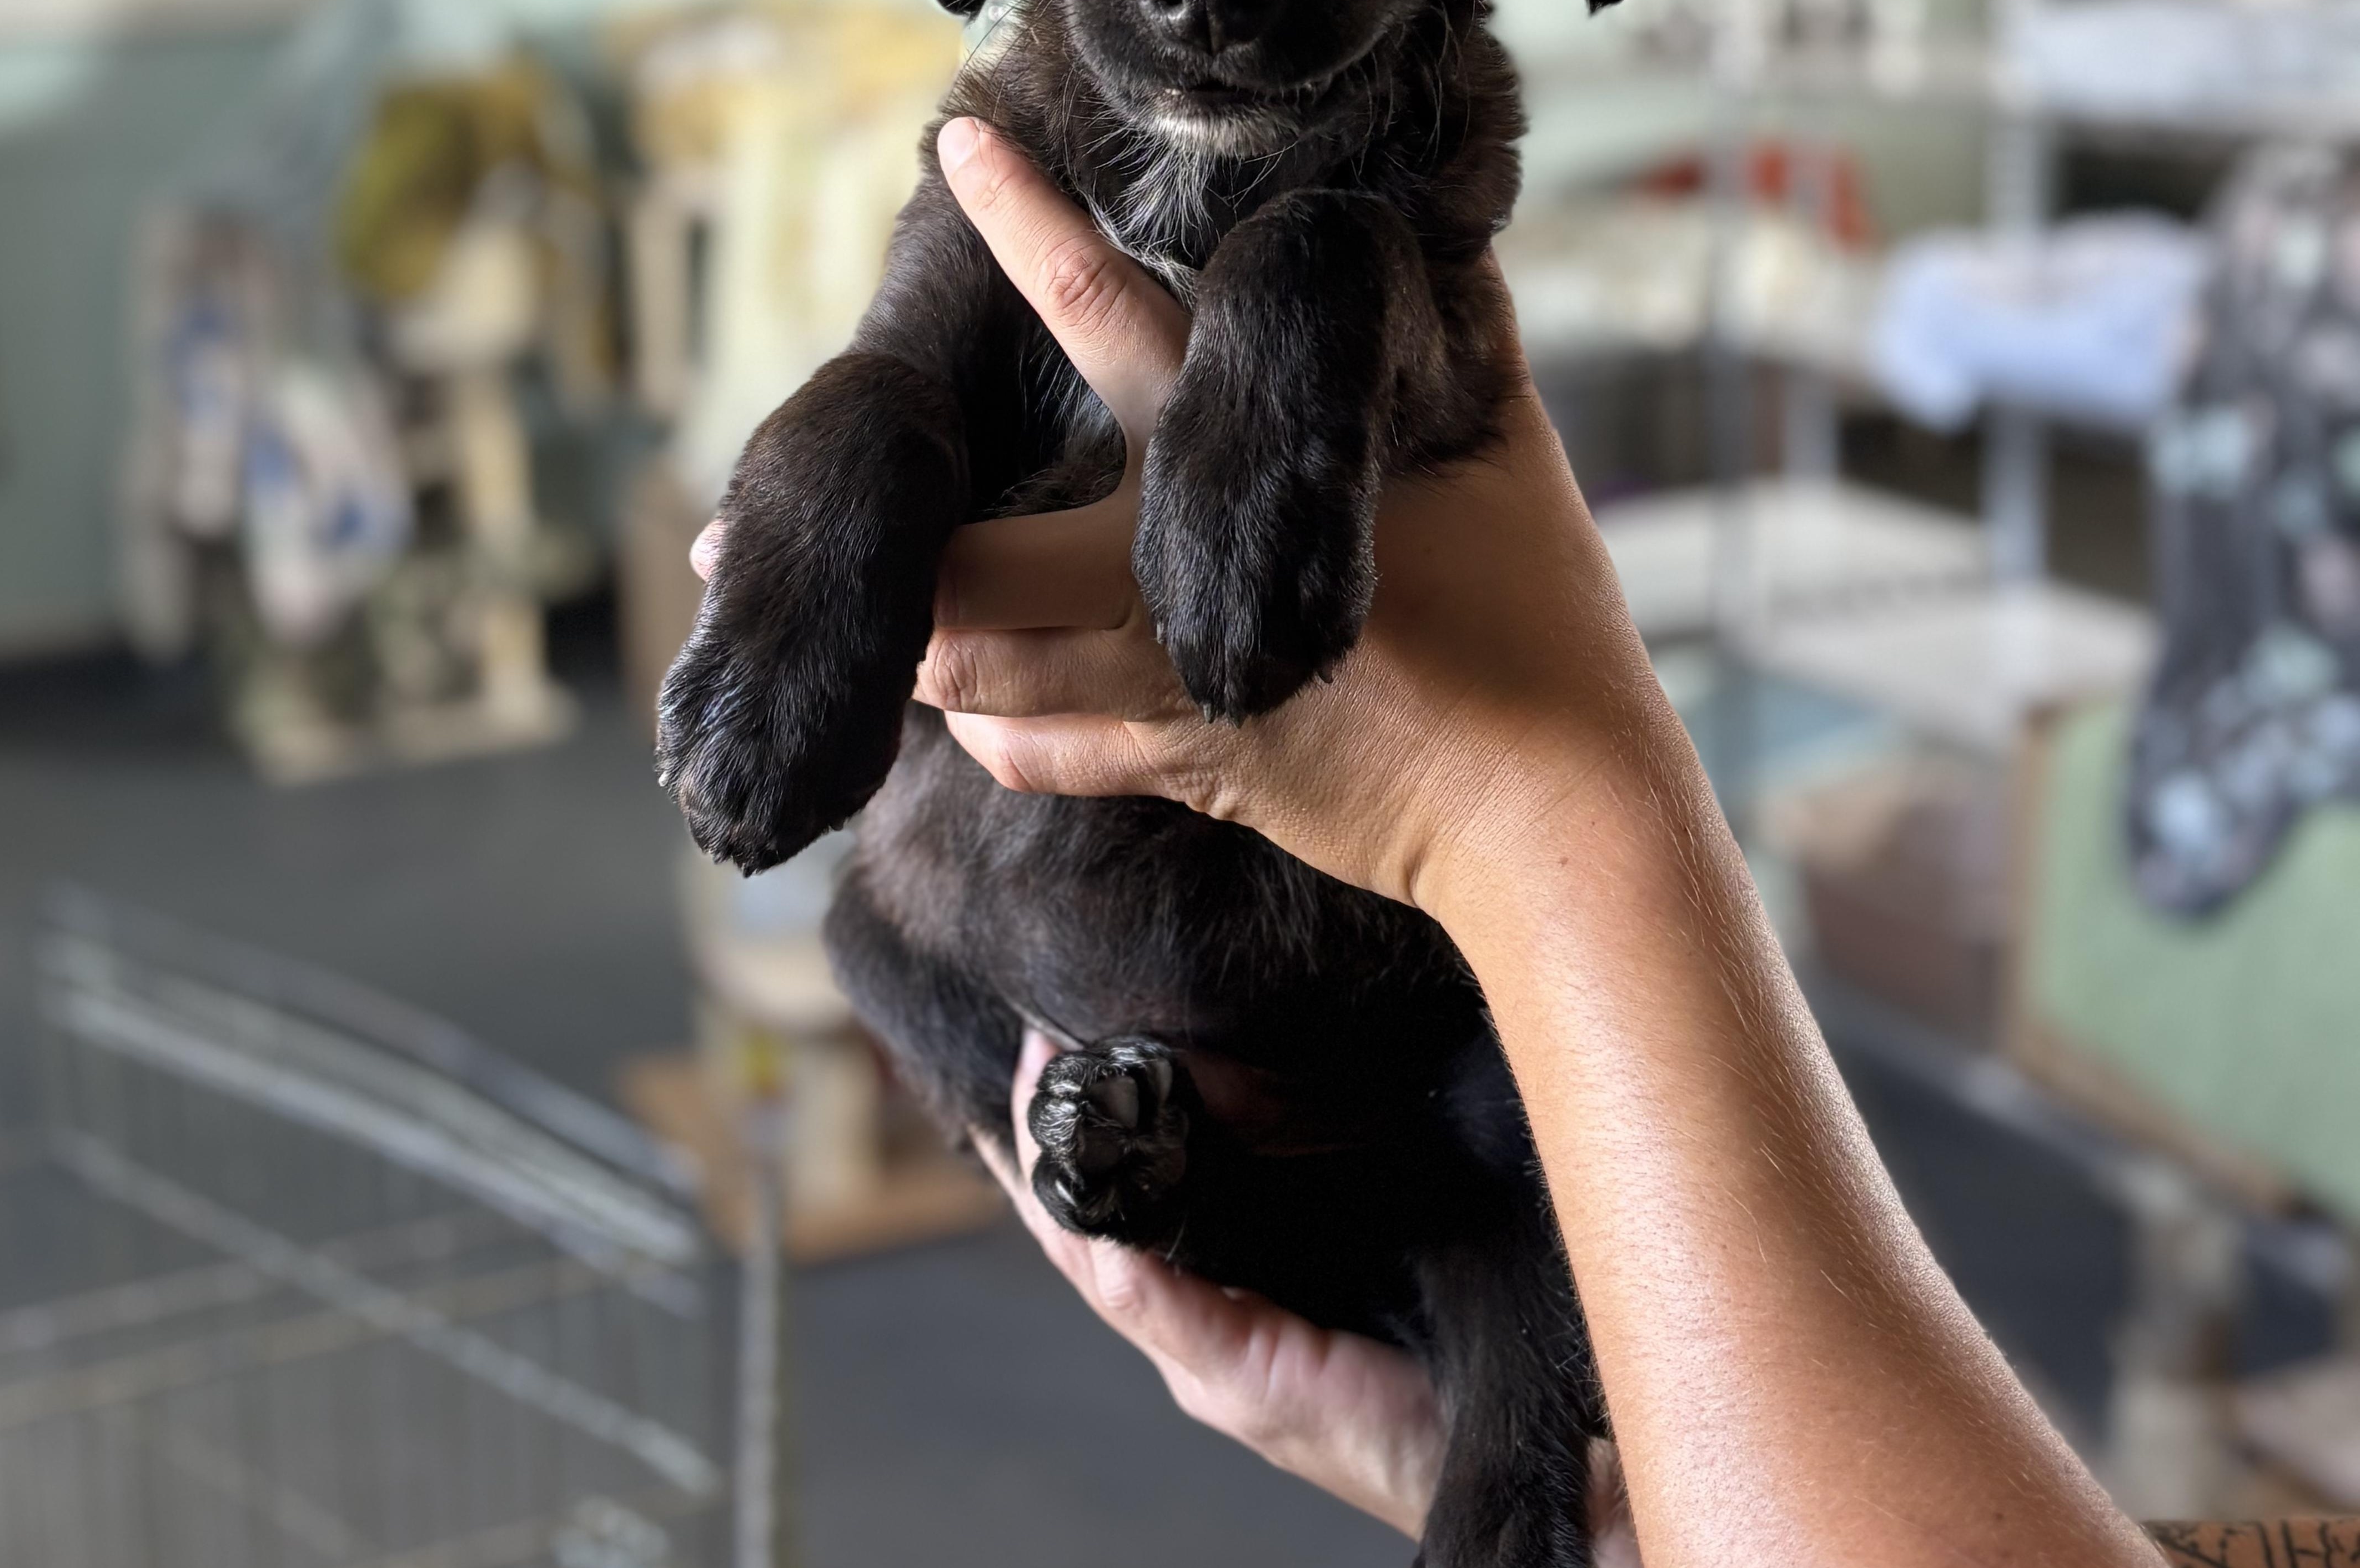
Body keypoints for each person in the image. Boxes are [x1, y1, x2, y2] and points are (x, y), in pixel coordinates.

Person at [704, 115, 2159, 1565]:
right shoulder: (1017, 145)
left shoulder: (1383, 192)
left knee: (1507, 1155)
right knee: (871, 941)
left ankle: (1501, 1445)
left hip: (1383, 1077)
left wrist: (1521, 798)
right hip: (1092, 1016)